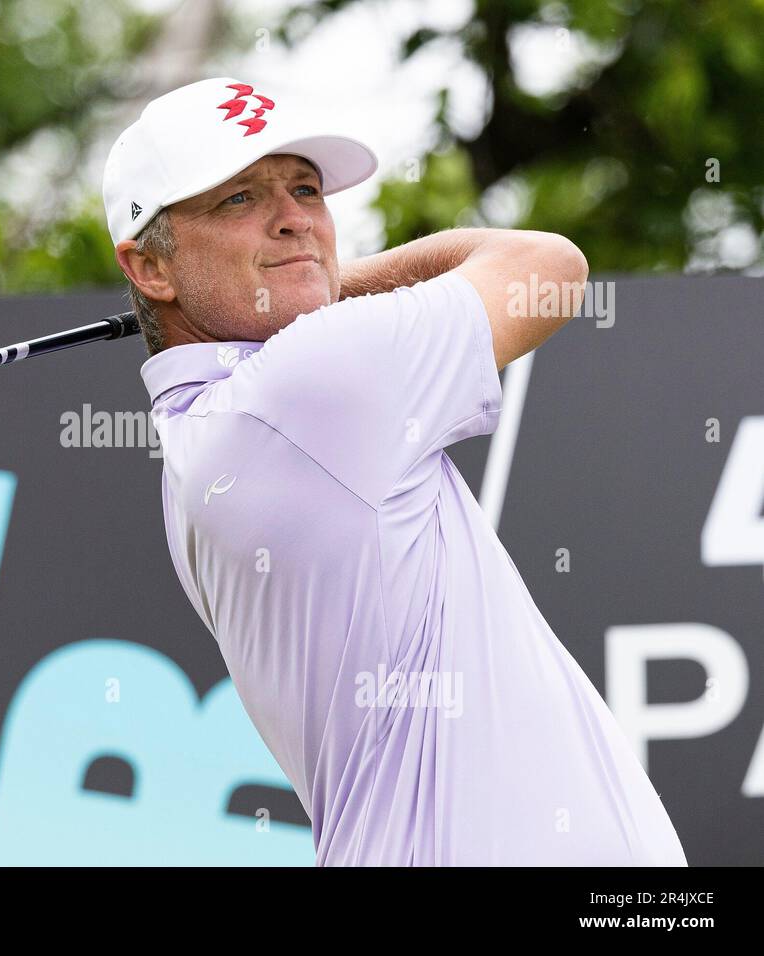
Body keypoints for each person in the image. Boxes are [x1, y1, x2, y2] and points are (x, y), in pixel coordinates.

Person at [103, 76, 687, 866]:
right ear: (150, 269)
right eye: (238, 200)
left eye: (305, 189)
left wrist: (302, 274)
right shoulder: (311, 379)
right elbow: (547, 264)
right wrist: (330, 278)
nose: (296, 219)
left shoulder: (209, 438)